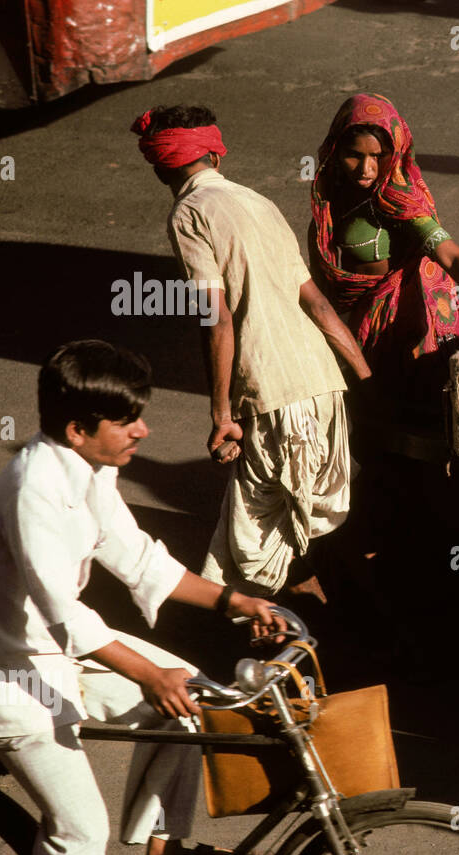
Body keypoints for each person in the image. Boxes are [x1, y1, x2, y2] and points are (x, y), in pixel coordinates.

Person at [0, 340, 285, 855]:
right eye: (127, 421)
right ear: (78, 431)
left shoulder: (91, 469)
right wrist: (149, 677)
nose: (143, 431)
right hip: (5, 674)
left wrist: (235, 601)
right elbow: (62, 612)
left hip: (53, 653)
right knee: (81, 834)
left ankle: (162, 851)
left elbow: (140, 559)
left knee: (190, 704)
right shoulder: (33, 488)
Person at [133, 104, 373, 599]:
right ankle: (329, 622)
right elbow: (319, 305)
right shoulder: (258, 201)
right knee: (299, 522)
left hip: (275, 395)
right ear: (215, 154)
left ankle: (278, 635)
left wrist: (221, 413)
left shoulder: (189, 214)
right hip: (322, 385)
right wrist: (364, 378)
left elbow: (216, 320)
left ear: (161, 166)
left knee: (259, 542)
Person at [308, 92, 459, 411]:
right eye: (354, 155)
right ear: (335, 150)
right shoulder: (326, 207)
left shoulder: (398, 204)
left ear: (392, 153)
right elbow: (321, 290)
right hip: (346, 334)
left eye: (377, 156)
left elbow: (451, 255)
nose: (366, 168)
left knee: (401, 418)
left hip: (396, 337)